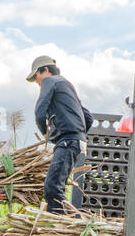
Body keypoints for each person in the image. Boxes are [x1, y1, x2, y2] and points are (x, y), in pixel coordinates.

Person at [27, 55, 93, 213]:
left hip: (67, 141)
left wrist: (48, 139)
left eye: (36, 77)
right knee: (57, 187)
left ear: (46, 70)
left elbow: (39, 111)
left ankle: (58, 225)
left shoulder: (50, 81)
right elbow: (88, 117)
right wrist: (80, 135)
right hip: (74, 141)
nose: (37, 82)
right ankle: (67, 222)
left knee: (52, 188)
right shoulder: (67, 85)